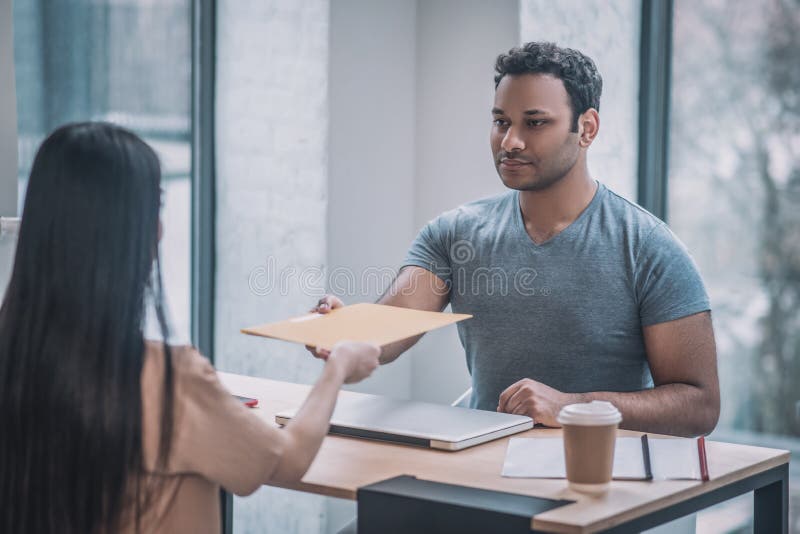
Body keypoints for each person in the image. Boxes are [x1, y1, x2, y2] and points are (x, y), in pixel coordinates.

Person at [310, 42, 719, 438]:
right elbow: (388, 329)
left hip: (598, 481)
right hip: (479, 472)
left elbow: (699, 406)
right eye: (501, 121)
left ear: (587, 128)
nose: (510, 142)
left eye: (535, 122)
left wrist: (573, 407)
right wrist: (347, 333)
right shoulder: (454, 234)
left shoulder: (649, 248)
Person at [0, 122, 380, 534]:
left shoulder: (15, 357)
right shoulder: (166, 379)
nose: (160, 229)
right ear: (125, 231)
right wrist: (338, 366)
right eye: (154, 207)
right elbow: (287, 461)